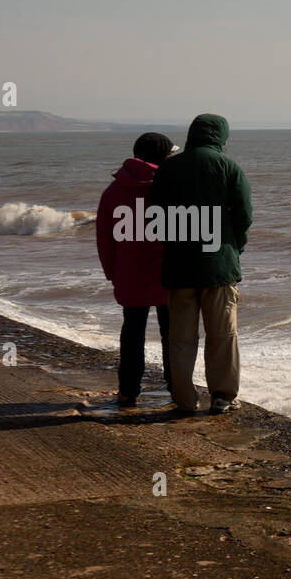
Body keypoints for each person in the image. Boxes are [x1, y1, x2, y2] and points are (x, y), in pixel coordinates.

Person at [150, 113, 252, 414]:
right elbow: (244, 214)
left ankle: (185, 399)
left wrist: (173, 245)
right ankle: (222, 396)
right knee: (222, 336)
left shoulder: (169, 168)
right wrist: (235, 248)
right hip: (219, 266)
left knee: (180, 339)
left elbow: (155, 217)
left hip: (179, 268)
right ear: (221, 136)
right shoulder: (228, 166)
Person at [95, 132, 175, 408]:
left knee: (132, 332)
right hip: (169, 273)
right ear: (162, 157)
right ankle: (177, 390)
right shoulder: (170, 186)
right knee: (173, 335)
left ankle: (128, 391)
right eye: (170, 155)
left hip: (129, 274)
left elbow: (105, 239)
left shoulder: (114, 191)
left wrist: (113, 273)